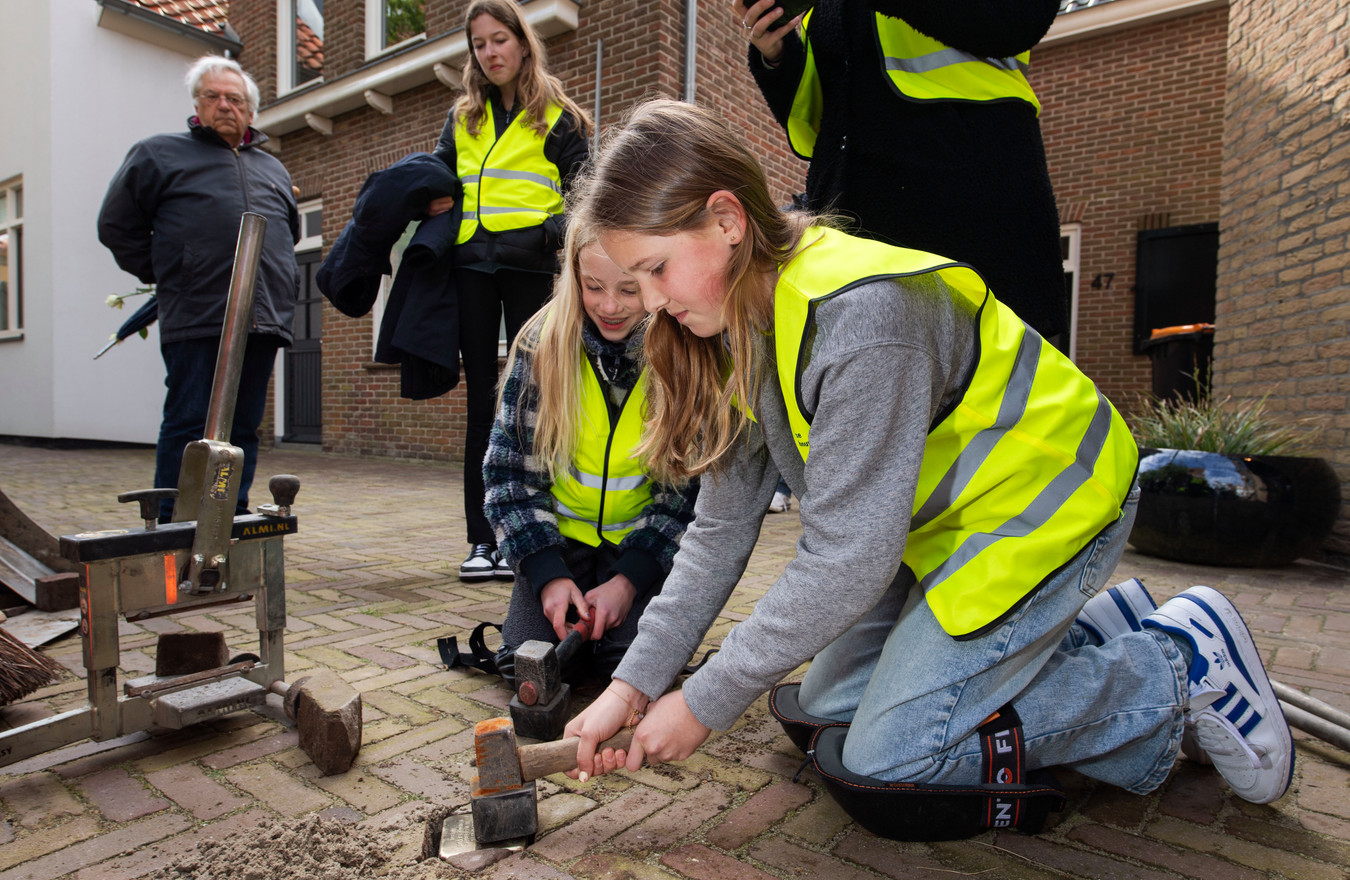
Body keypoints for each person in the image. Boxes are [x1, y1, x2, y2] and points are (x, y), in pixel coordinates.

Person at [562, 101, 1293, 836]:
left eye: (655, 270)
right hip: (946, 532)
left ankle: (1178, 667)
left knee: (890, 759)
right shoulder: (741, 324)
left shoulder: (860, 318)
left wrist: (703, 701)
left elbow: (847, 559)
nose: (651, 302)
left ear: (727, 221)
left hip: (1048, 507)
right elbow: (719, 531)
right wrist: (632, 687)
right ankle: (1088, 637)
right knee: (822, 710)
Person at [732, 0, 1069, 342]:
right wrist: (777, 52)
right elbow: (822, 118)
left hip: (973, 212)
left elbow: (1017, 18)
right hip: (856, 227)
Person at [481, 224, 698, 686]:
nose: (608, 306)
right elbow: (508, 477)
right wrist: (547, 574)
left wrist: (630, 580)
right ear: (572, 276)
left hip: (641, 549)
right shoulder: (542, 345)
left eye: (628, 289)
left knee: (630, 669)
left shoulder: (686, 353)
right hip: (556, 545)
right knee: (528, 663)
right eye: (592, 286)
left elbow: (684, 497)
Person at [428, 0, 592, 582]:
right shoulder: (461, 118)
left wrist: (544, 234)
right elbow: (439, 182)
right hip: (472, 270)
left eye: (500, 39)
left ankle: (538, 530)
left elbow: (585, 194)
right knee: (481, 404)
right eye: (479, 44)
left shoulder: (560, 115)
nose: (490, 52)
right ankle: (482, 541)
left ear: (523, 43)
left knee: (535, 399)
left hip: (530, 272)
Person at [98, 56, 300, 522]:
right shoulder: (159, 155)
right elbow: (116, 226)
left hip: (262, 318)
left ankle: (229, 514)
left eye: (235, 99)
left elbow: (287, 233)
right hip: (197, 313)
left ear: (250, 111)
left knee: (243, 426)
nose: (225, 106)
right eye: (214, 97)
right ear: (196, 104)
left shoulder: (271, 169)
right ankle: (173, 519)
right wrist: (172, 275)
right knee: (190, 422)